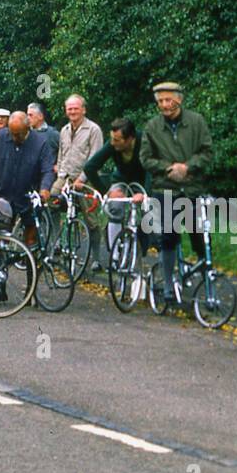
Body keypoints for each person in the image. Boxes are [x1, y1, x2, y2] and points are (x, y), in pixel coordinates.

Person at [139, 81, 213, 305]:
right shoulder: (152, 127)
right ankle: (169, 284)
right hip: (166, 188)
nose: (164, 105)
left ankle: (207, 283)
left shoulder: (196, 122)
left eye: (168, 100)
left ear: (179, 99)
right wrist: (168, 168)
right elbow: (145, 158)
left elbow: (207, 151)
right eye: (160, 101)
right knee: (169, 236)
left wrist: (188, 167)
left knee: (199, 234)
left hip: (192, 187)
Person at [0, 110, 55, 304]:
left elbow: (47, 169)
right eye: (12, 133)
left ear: (28, 128)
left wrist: (45, 189)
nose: (14, 138)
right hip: (3, 197)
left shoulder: (40, 143)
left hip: (27, 198)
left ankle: (31, 291)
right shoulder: (1, 138)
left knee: (31, 244)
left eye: (18, 134)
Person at [76, 116, 151, 258]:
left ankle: (145, 246)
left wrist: (145, 193)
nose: (113, 143)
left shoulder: (145, 143)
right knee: (115, 207)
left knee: (149, 211)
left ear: (130, 139)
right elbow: (90, 167)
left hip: (142, 180)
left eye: (117, 140)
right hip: (121, 179)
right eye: (112, 138)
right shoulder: (113, 143)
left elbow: (150, 171)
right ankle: (115, 254)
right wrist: (107, 193)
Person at [53, 93, 106, 270]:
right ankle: (57, 244)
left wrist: (82, 178)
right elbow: (62, 154)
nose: (72, 111)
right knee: (50, 201)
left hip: (87, 179)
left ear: (83, 109)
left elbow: (95, 157)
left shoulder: (93, 130)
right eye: (69, 109)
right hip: (65, 177)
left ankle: (96, 258)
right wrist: (60, 173)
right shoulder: (65, 130)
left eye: (76, 108)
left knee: (91, 219)